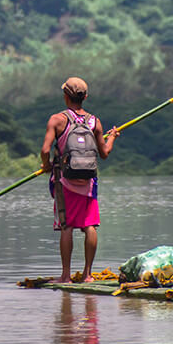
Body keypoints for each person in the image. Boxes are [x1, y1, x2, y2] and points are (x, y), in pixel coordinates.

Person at [40, 76, 118, 283]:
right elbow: (104, 153)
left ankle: (65, 276)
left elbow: (45, 150)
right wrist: (112, 137)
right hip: (89, 183)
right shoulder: (95, 121)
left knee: (67, 227)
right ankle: (88, 275)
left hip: (64, 182)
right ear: (85, 97)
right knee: (89, 225)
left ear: (66, 96)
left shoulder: (57, 120)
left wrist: (46, 165)